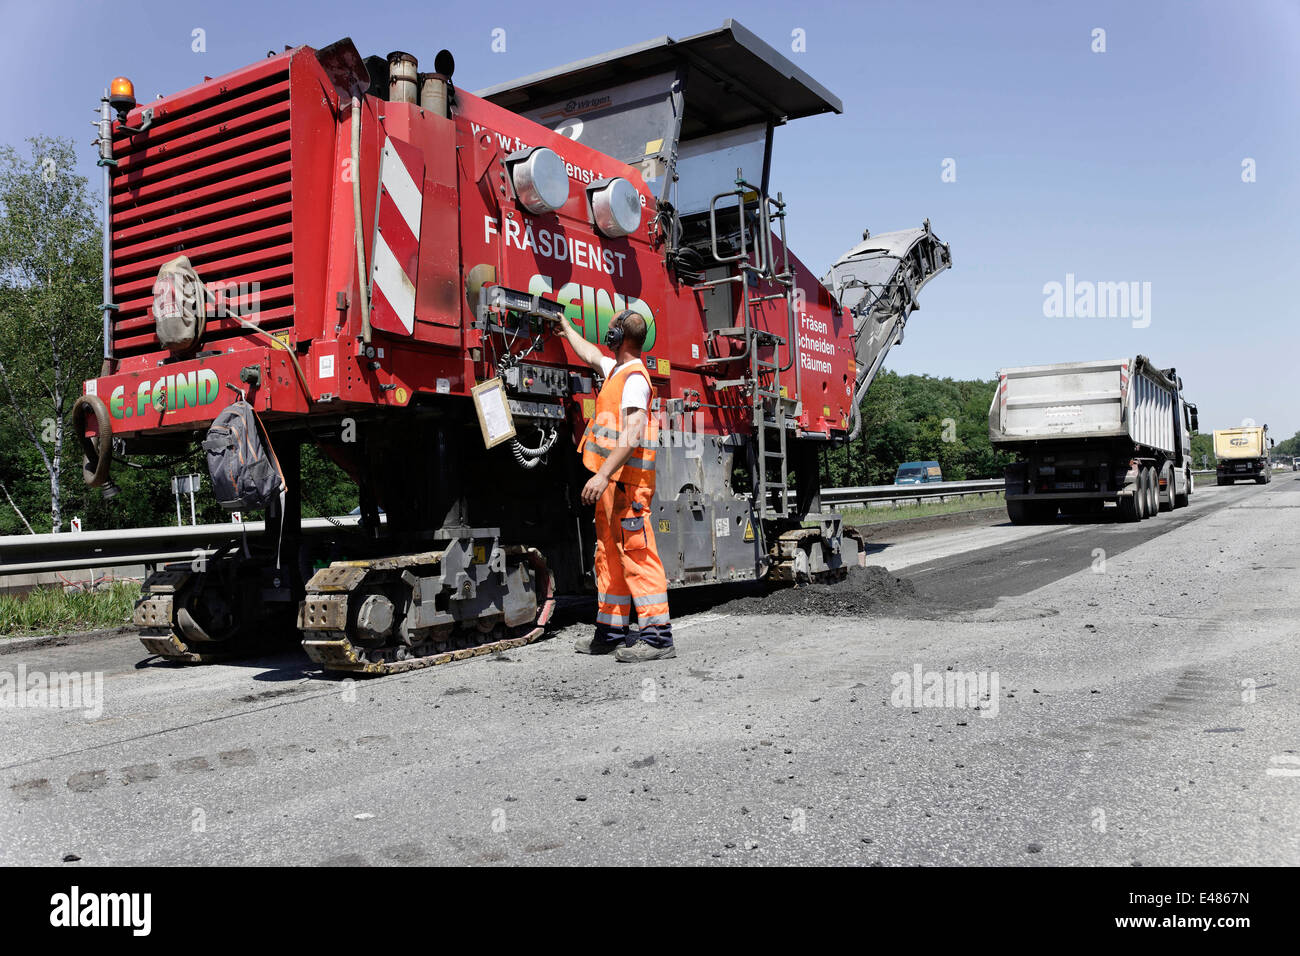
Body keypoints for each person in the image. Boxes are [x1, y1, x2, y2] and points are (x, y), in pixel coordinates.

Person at [553, 309, 674, 662]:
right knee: (609, 557)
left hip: (626, 485)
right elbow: (591, 355)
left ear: (619, 337)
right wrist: (565, 329)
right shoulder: (616, 372)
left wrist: (603, 473)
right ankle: (611, 630)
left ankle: (657, 637)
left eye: (610, 332)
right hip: (613, 487)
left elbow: (634, 432)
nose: (605, 337)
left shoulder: (635, 378)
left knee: (637, 555)